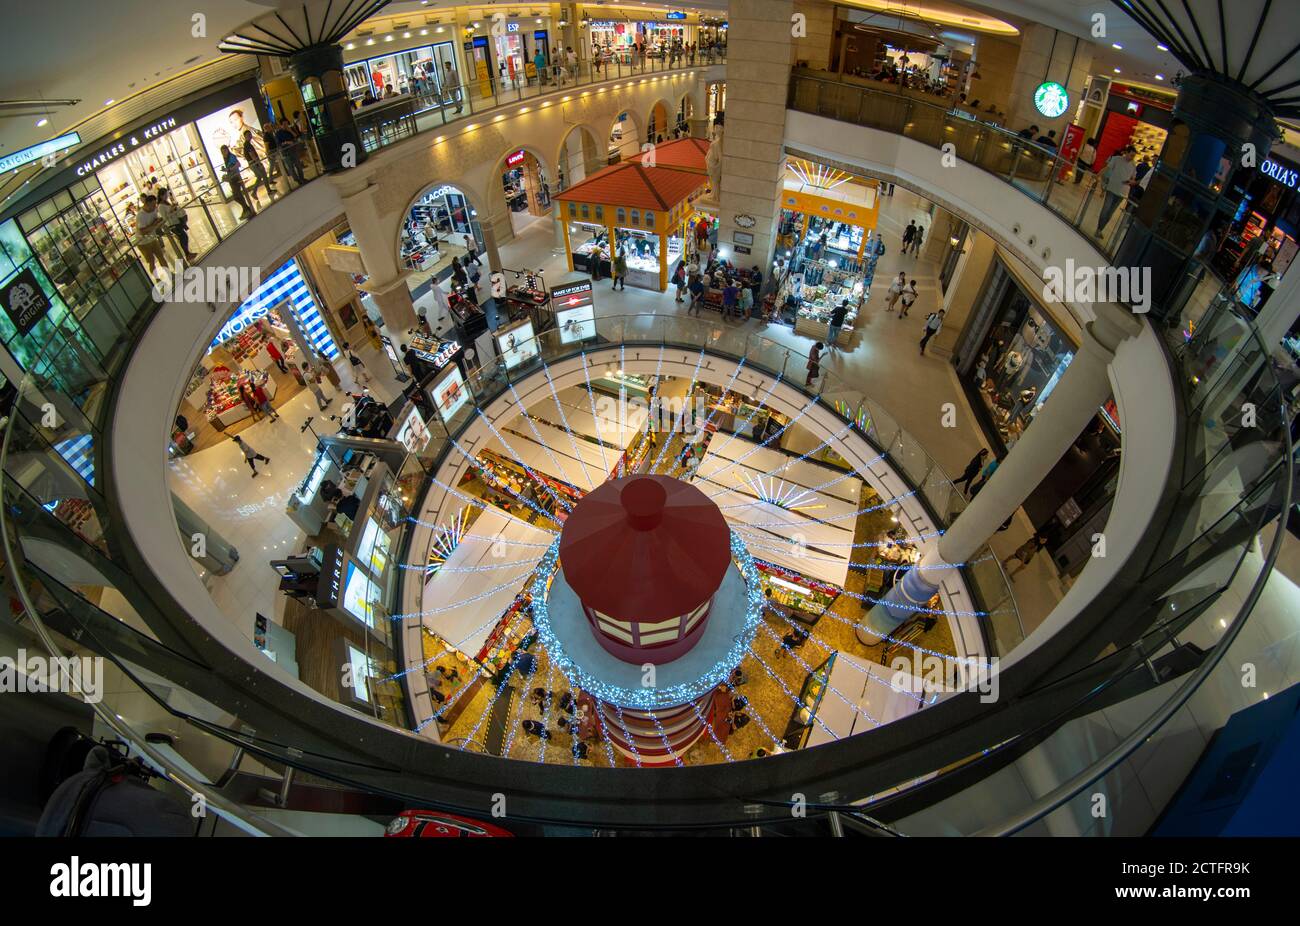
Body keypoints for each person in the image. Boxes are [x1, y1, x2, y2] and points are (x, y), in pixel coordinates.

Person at [1096, 147, 1137, 236]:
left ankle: (1100, 229)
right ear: (1126, 153)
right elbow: (1107, 168)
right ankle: (1099, 228)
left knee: (1110, 213)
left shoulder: (1133, 165)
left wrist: (1131, 182)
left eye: (1134, 156)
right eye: (1131, 155)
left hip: (1122, 193)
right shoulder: (1116, 159)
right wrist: (1098, 175)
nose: (1132, 158)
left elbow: (1133, 179)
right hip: (1111, 189)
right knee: (1105, 209)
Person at [155, 188, 197, 262]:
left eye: (167, 194)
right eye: (165, 194)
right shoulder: (160, 206)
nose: (167, 196)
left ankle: (188, 253)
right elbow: (165, 217)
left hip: (176, 221)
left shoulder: (166, 202)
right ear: (161, 196)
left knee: (184, 236)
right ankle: (187, 254)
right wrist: (171, 209)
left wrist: (173, 207)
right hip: (172, 224)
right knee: (183, 236)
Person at [134, 194, 168, 276]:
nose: (155, 206)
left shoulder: (153, 210)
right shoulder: (140, 215)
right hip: (143, 242)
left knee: (161, 256)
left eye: (155, 204)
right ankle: (157, 279)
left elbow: (156, 221)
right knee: (152, 261)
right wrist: (154, 225)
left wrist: (156, 223)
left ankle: (169, 274)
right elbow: (143, 231)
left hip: (152, 238)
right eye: (153, 204)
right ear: (147, 204)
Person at [219, 145, 254, 221]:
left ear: (227, 150)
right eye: (222, 152)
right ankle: (246, 209)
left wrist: (230, 169)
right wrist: (227, 170)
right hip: (232, 178)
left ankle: (246, 209)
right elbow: (231, 167)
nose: (224, 153)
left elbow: (238, 164)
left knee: (237, 195)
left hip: (235, 178)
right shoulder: (226, 158)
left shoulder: (231, 156)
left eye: (225, 151)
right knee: (237, 196)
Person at [241, 129, 269, 203]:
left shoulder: (247, 144)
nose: (250, 136)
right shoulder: (247, 145)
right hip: (254, 163)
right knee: (262, 175)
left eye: (250, 134)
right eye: (248, 135)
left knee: (260, 176)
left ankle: (255, 192)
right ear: (245, 137)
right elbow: (252, 155)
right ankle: (266, 190)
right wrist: (258, 163)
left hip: (253, 163)